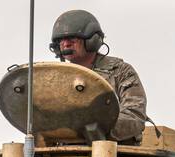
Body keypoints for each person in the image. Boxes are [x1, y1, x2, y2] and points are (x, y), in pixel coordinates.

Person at [49, 9, 147, 143]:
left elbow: (135, 115)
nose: (66, 43)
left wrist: (97, 128)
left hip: (114, 153)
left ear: (92, 40)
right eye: (61, 40)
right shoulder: (52, 79)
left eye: (72, 38)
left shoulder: (120, 71)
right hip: (64, 152)